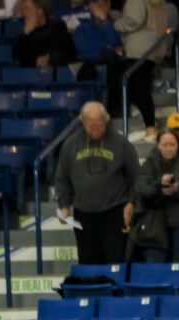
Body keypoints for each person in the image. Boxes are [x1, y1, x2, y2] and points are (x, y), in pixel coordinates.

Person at [55, 102, 139, 266]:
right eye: (90, 125)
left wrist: (131, 202)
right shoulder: (71, 144)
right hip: (83, 215)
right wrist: (64, 205)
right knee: (88, 264)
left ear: (106, 121)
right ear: (83, 123)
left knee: (114, 262)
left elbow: (136, 176)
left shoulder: (121, 143)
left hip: (115, 212)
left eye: (99, 125)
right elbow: (62, 178)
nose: (95, 128)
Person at [133, 130, 179, 264]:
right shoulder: (150, 162)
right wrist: (159, 186)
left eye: (172, 144)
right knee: (154, 266)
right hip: (156, 224)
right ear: (158, 145)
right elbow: (142, 190)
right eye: (164, 145)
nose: (168, 148)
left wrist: (178, 189)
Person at [111, 0, 174, 139]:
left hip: (139, 51)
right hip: (153, 49)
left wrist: (115, 24)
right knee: (136, 89)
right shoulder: (158, 2)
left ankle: (150, 126)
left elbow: (133, 21)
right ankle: (150, 123)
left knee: (139, 90)